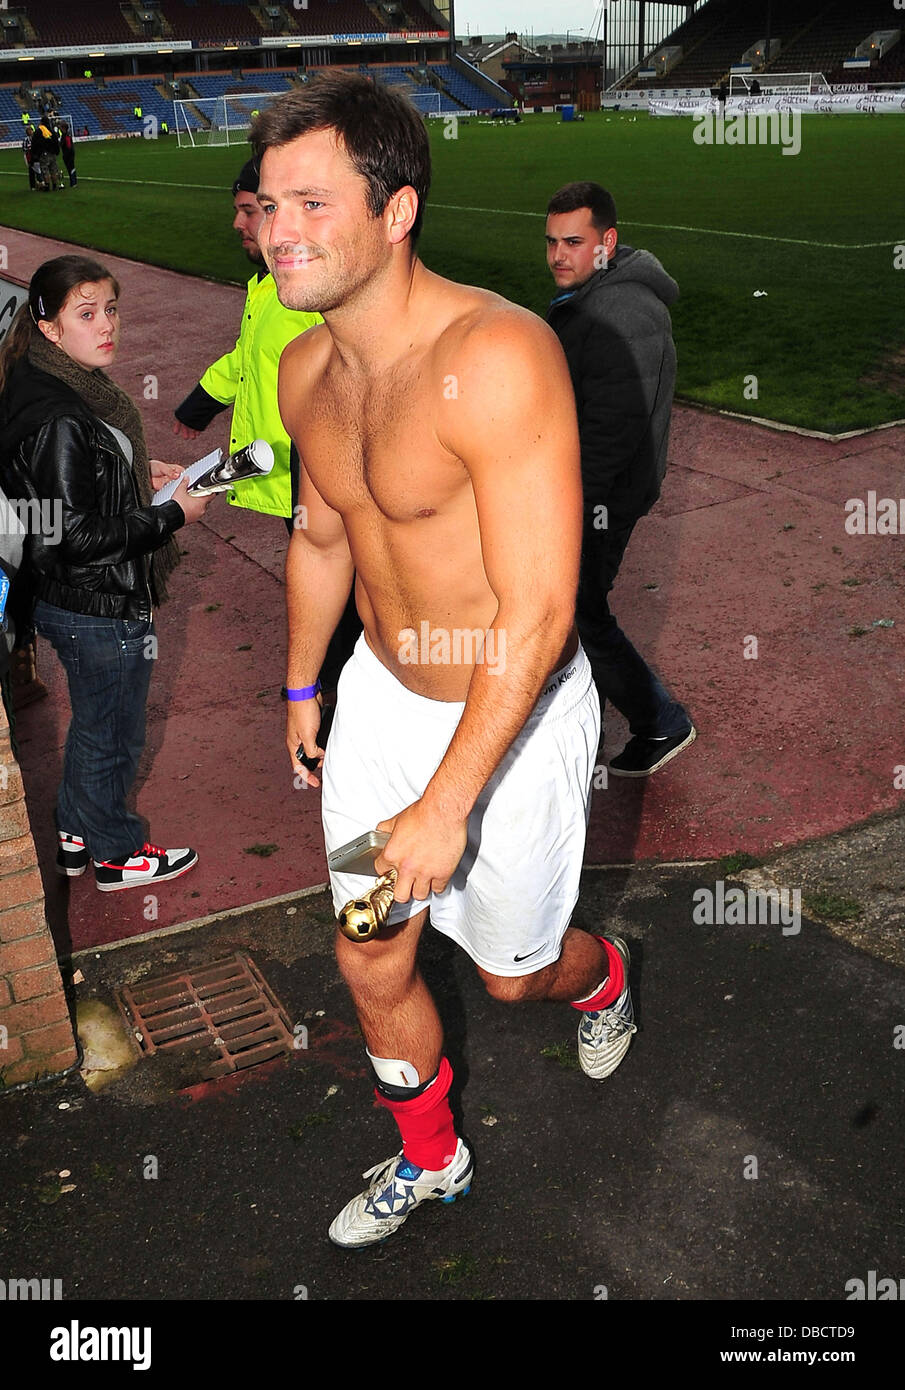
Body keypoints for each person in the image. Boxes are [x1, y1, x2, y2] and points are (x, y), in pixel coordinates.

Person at [253, 74, 635, 1250]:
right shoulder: (307, 370)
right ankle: (434, 1158)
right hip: (382, 716)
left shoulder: (501, 352)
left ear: (396, 209)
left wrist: (449, 799)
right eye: (265, 205)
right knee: (370, 951)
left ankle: (605, 975)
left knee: (515, 980)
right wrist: (305, 683)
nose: (277, 233)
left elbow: (537, 608)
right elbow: (322, 533)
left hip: (505, 722)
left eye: (310, 203)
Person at [0, 255, 212, 891]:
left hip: (58, 596)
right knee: (111, 734)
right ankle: (116, 855)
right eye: (86, 313)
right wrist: (171, 515)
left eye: (111, 309)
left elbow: (59, 490)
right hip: (95, 603)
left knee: (95, 725)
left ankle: (75, 834)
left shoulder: (38, 381)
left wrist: (129, 475)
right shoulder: (63, 410)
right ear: (49, 325)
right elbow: (79, 537)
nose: (106, 325)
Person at [173, 157, 359, 693]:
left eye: (250, 211)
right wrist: (201, 400)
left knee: (341, 593)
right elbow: (248, 357)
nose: (239, 223)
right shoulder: (267, 286)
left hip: (312, 476)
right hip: (281, 472)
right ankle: (325, 682)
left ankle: (333, 696)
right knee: (324, 584)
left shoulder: (305, 291)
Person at [546, 181, 695, 776]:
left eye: (573, 242)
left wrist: (563, 506)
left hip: (595, 499)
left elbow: (610, 436)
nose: (558, 255)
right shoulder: (595, 297)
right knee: (570, 610)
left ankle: (659, 720)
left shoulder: (623, 313)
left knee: (579, 612)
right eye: (552, 242)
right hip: (585, 492)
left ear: (607, 242)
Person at [29, 119, 62, 193]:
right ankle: (54, 185)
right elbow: (56, 141)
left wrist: (34, 154)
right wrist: (57, 151)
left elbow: (34, 143)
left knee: (45, 170)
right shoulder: (51, 131)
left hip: (43, 154)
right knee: (53, 170)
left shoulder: (38, 131)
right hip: (52, 153)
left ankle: (47, 186)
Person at [56, 122, 77, 187]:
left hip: (68, 154)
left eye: (61, 128)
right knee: (70, 168)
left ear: (64, 128)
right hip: (68, 153)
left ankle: (74, 183)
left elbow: (68, 145)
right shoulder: (65, 135)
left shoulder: (66, 135)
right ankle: (72, 182)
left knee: (71, 168)